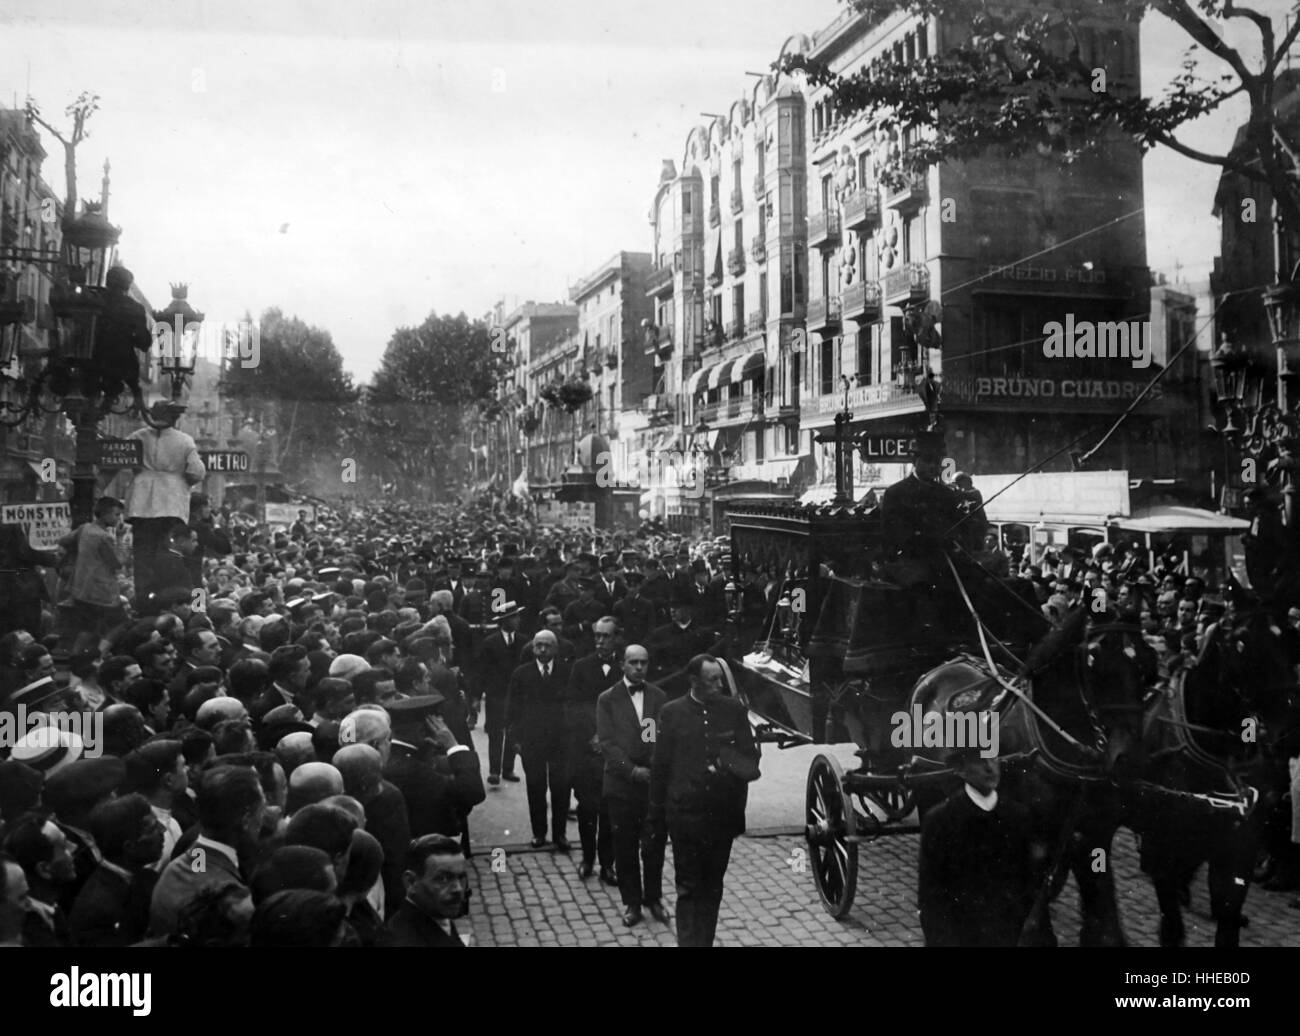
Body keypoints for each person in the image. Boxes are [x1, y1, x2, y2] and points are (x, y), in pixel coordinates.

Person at [650, 653, 760, 946]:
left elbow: (751, 757)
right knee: (688, 888)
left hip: (721, 817)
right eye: (713, 680)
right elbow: (660, 767)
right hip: (685, 817)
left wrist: (725, 764)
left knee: (712, 888)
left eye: (721, 679)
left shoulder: (734, 710)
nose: (720, 685)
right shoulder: (672, 713)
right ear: (694, 681)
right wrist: (656, 815)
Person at [917, 745, 1039, 946]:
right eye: (980, 762)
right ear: (961, 769)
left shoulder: (1018, 817)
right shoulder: (940, 821)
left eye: (993, 759)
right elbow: (931, 898)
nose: (991, 768)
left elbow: (1028, 887)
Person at [150, 764, 264, 939]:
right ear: (246, 820)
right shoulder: (233, 903)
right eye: (262, 807)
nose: (266, 815)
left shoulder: (190, 860)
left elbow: (200, 873)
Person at [597, 644, 668, 926]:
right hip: (621, 785)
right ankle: (632, 903)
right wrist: (631, 770)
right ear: (622, 665)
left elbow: (655, 736)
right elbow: (608, 743)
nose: (639, 668)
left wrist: (650, 767)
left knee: (653, 846)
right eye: (633, 663)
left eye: (644, 663)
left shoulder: (657, 697)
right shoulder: (607, 699)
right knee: (625, 847)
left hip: (650, 786)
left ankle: (653, 898)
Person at [126, 402, 206, 606]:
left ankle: (144, 602)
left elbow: (122, 460)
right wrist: (180, 481)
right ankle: (173, 600)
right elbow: (197, 472)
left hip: (141, 502)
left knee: (142, 556)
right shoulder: (184, 441)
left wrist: (141, 474)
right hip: (171, 503)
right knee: (169, 554)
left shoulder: (136, 436)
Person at [563, 616, 619, 882]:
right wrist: (592, 735)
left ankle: (608, 864)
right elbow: (574, 706)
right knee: (587, 808)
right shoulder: (581, 667)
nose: (600, 641)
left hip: (616, 752)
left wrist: (607, 737)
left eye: (605, 636)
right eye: (597, 635)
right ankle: (587, 858)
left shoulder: (627, 667)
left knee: (611, 811)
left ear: (616, 638)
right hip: (587, 751)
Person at [506, 630, 572, 850]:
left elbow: (574, 707)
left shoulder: (566, 672)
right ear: (533, 648)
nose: (542, 649)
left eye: (547, 645)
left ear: (555, 648)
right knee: (535, 787)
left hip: (560, 742)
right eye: (538, 645)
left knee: (561, 788)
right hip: (531, 742)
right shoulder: (521, 674)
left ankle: (560, 834)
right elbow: (512, 709)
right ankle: (539, 833)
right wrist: (515, 739)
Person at [68, 794, 163, 946]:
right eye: (152, 829)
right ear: (129, 847)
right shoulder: (97, 909)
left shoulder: (146, 877)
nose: (162, 831)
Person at [383, 833, 471, 947]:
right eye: (443, 879)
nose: (458, 889)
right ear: (411, 882)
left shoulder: (437, 914)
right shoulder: (405, 940)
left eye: (461, 877)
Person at [474, 603, 523, 784]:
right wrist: (476, 697)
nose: (518, 620)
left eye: (517, 616)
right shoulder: (490, 642)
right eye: (514, 617)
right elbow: (481, 671)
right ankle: (494, 771)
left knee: (512, 730)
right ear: (504, 620)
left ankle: (508, 769)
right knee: (495, 732)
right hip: (496, 694)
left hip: (517, 695)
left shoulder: (524, 641)